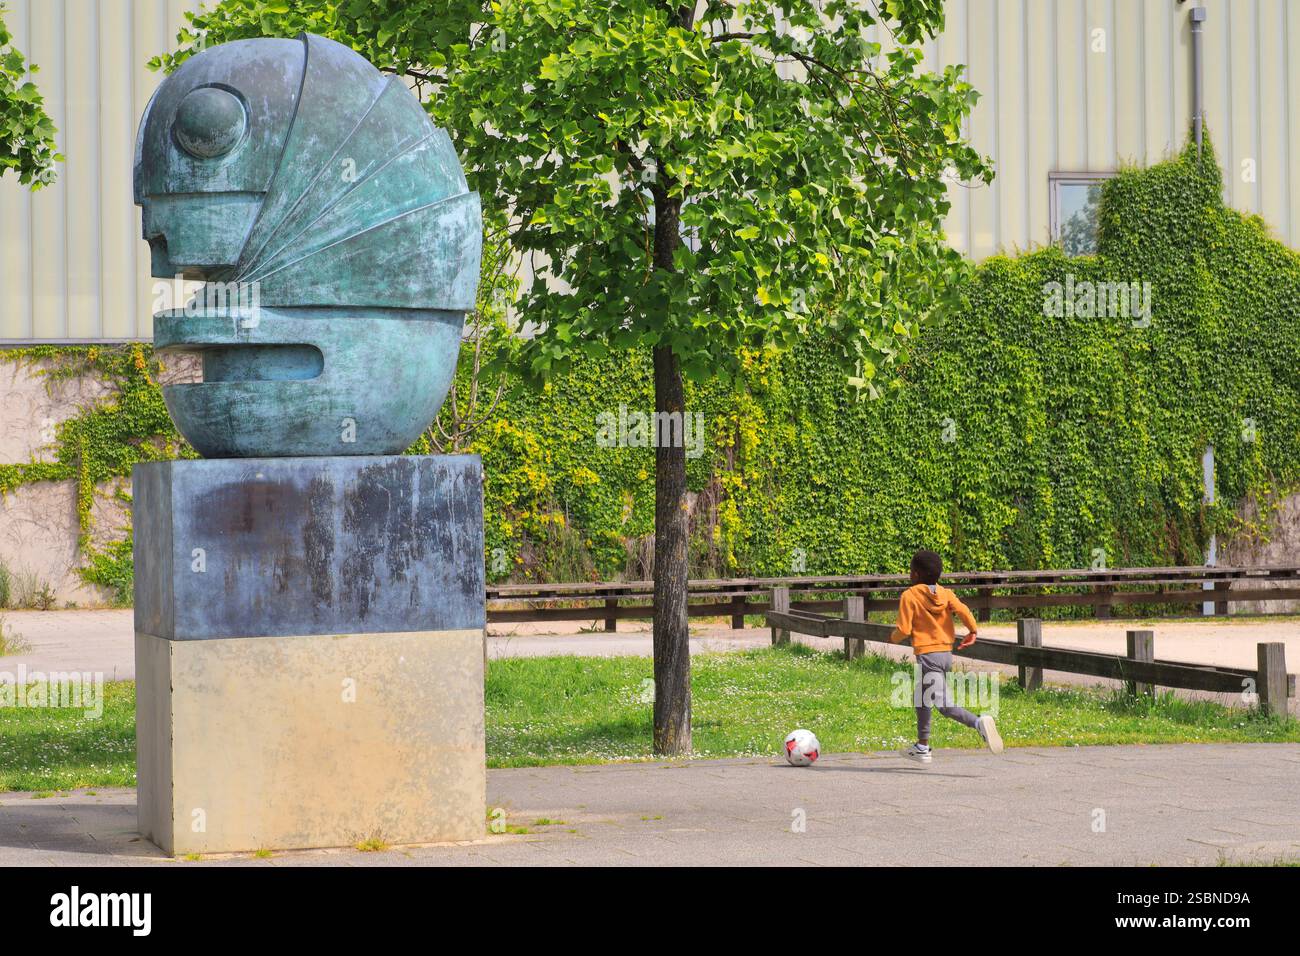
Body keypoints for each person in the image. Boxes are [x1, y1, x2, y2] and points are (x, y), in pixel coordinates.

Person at [889, 549, 1003, 763]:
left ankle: (978, 723)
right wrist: (973, 631)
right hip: (944, 654)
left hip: (928, 656)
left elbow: (903, 630)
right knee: (921, 697)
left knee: (944, 705)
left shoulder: (909, 596)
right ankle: (922, 746)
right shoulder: (945, 593)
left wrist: (892, 638)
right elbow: (963, 610)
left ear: (914, 574)